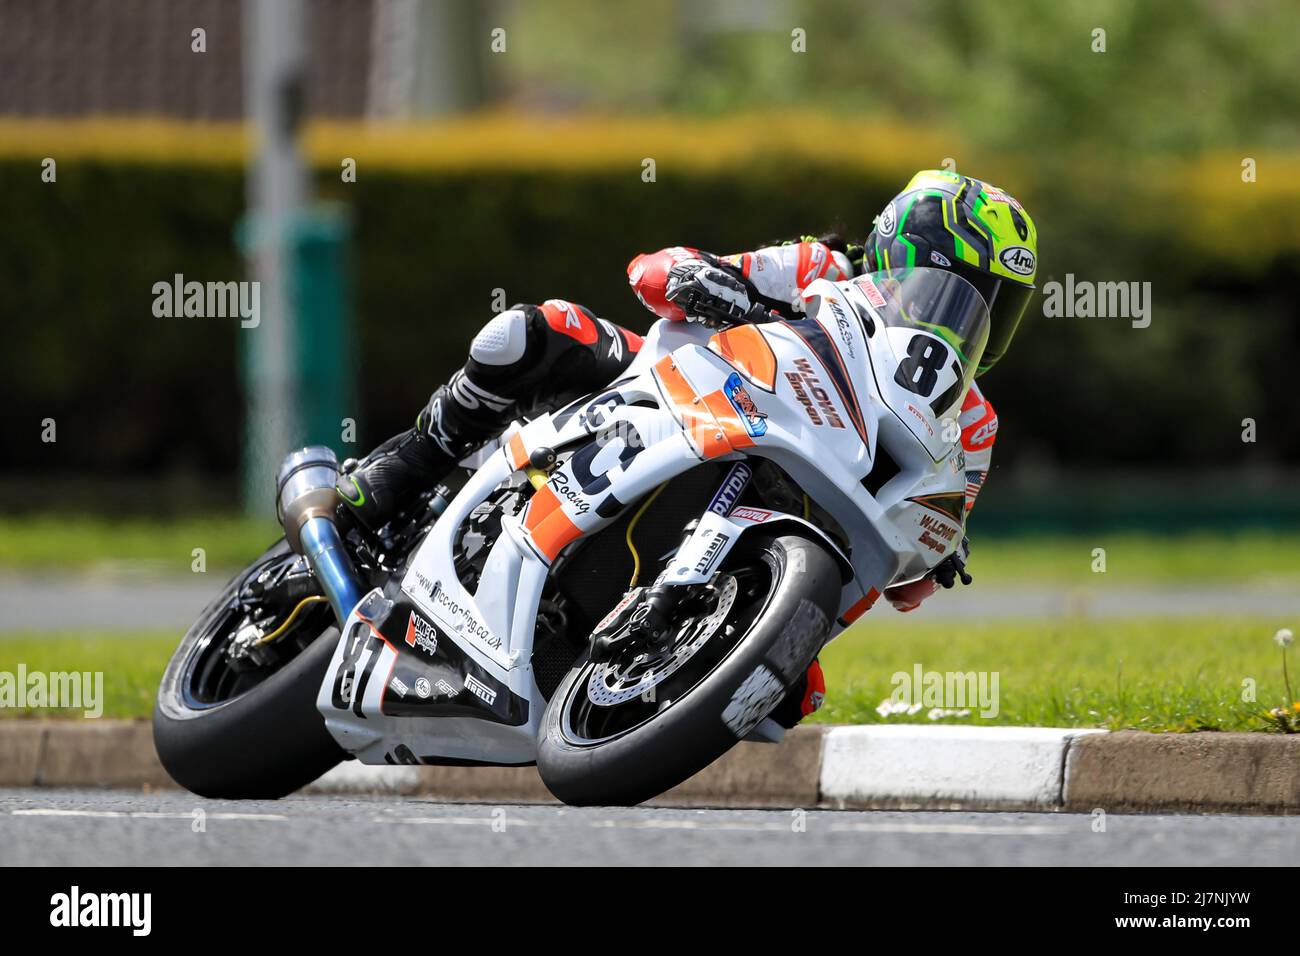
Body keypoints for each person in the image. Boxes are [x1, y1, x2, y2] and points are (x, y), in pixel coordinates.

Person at [336, 169, 1038, 727]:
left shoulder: (972, 423)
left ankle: (673, 654)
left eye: (995, 303)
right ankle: (397, 474)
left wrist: (942, 550)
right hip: (676, 390)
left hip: (792, 507)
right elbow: (652, 272)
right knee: (530, 332)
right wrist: (702, 279)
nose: (974, 317)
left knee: (792, 703)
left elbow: (910, 579)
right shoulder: (818, 268)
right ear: (902, 254)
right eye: (963, 288)